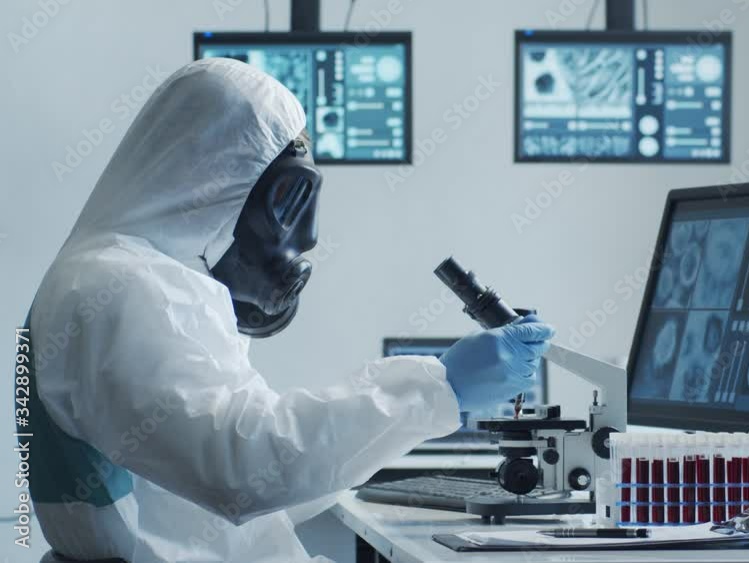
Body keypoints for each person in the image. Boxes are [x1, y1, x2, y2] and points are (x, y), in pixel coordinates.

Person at [26, 58, 553, 562]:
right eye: (287, 200)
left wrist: (423, 410)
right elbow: (244, 473)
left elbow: (261, 485)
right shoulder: (120, 289)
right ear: (211, 183)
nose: (304, 235)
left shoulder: (130, 277)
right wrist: (439, 388)